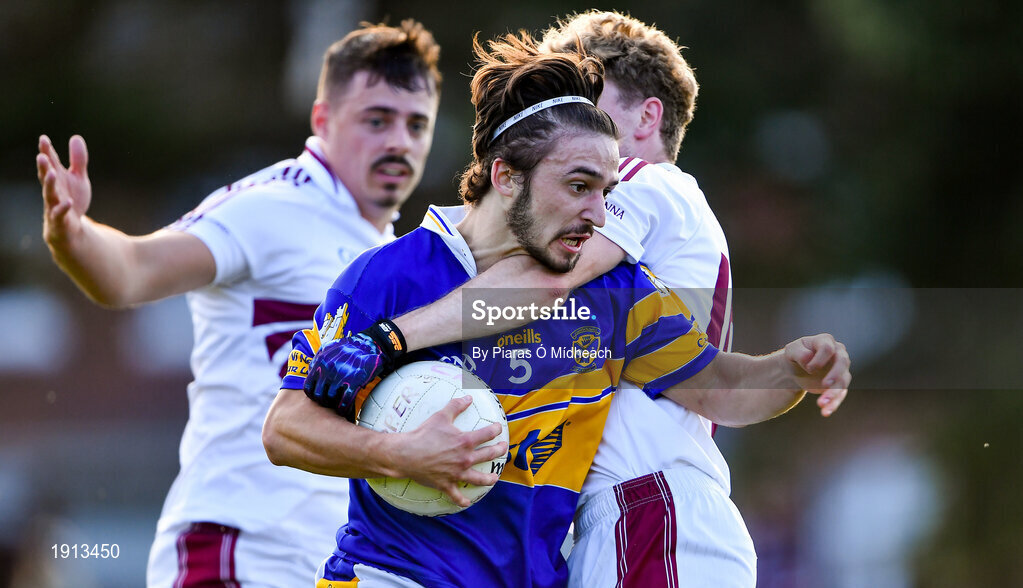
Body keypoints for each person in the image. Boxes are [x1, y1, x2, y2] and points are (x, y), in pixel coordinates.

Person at [262, 31, 850, 588]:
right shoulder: (388, 275)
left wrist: (789, 371)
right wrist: (397, 454)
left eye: (607, 192)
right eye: (578, 186)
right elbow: (285, 429)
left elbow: (719, 390)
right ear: (507, 177)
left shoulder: (615, 295)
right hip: (389, 572)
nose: (598, 213)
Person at [34, 20, 441, 588]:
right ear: (322, 120)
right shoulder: (270, 206)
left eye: (416, 124)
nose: (399, 141)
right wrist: (73, 235)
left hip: (340, 563)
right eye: (377, 120)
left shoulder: (401, 257)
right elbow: (129, 272)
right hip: (240, 546)